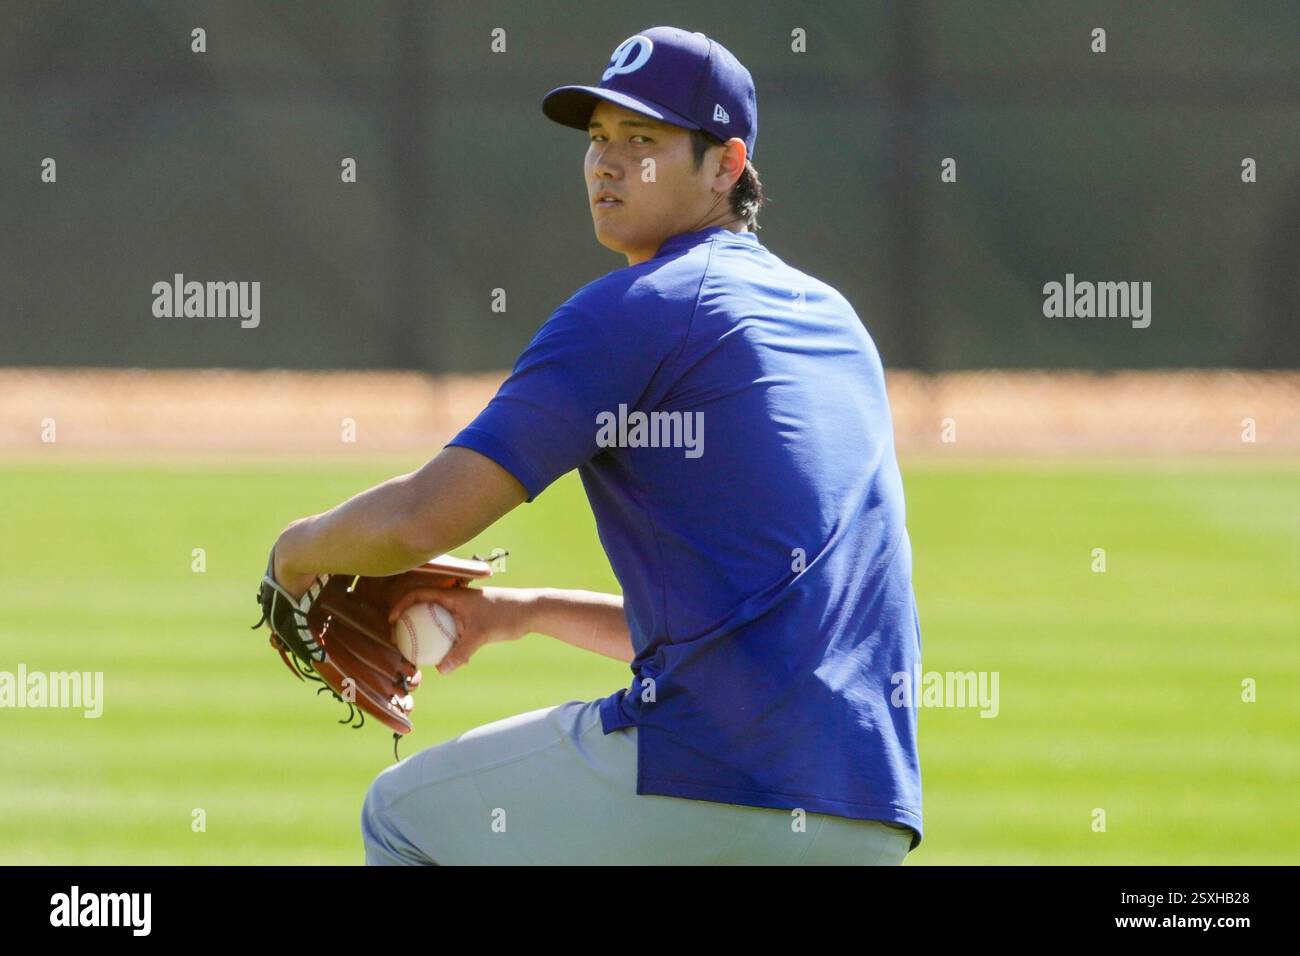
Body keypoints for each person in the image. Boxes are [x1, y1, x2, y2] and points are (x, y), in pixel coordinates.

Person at [269, 25, 923, 865]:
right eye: (598, 138)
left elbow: (423, 519)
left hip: (712, 785)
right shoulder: (834, 321)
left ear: (726, 165)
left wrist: (297, 551)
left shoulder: (635, 307)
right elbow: (754, 626)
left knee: (403, 816)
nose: (608, 163)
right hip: (868, 815)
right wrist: (525, 611)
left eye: (643, 141)